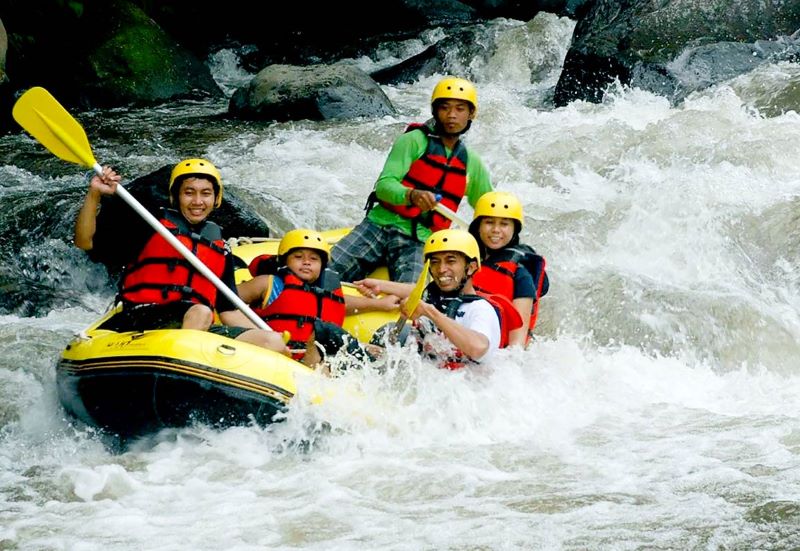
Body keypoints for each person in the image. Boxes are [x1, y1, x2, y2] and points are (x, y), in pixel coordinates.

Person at [73, 159, 288, 354]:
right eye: (189, 192)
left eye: (205, 193)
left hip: (194, 324)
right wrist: (94, 194)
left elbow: (229, 312)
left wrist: (275, 338)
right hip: (143, 317)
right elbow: (84, 241)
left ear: (216, 199)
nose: (197, 201)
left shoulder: (220, 249)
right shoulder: (151, 226)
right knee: (201, 312)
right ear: (176, 196)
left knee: (272, 342)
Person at [329, 76, 494, 285]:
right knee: (324, 274)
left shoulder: (472, 163)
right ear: (435, 111)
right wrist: (411, 195)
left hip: (420, 240)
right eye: (445, 108)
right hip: (379, 224)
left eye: (460, 109)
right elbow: (384, 186)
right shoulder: (413, 140)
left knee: (411, 298)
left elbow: (488, 209)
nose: (452, 115)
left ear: (471, 114)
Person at [358, 229, 521, 369]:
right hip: (430, 376)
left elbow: (478, 348)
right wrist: (379, 285)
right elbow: (417, 291)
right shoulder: (434, 296)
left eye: (451, 261)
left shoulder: (480, 309)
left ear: (471, 268)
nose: (441, 269)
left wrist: (429, 312)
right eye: (435, 262)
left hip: (465, 389)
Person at [238, 229, 399, 368]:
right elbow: (227, 300)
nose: (307, 262)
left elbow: (342, 304)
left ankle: (365, 354)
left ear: (322, 266)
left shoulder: (325, 294)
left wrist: (379, 304)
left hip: (313, 360)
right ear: (285, 260)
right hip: (273, 353)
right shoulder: (269, 284)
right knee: (326, 332)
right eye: (298, 257)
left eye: (314, 259)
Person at [468, 191, 549, 348]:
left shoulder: (521, 275)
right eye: (489, 222)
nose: (496, 230)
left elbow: (516, 345)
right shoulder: (465, 261)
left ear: (514, 230)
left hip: (496, 350)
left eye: (504, 224)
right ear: (478, 226)